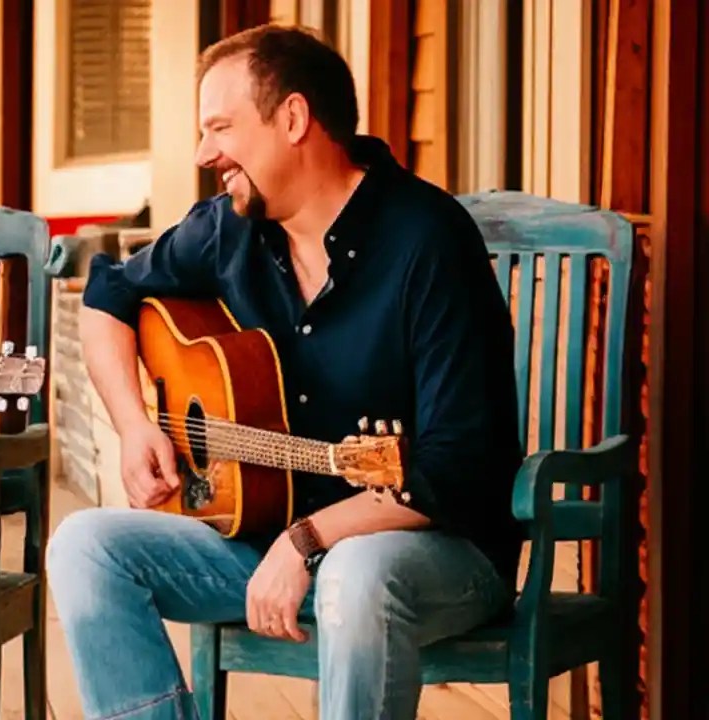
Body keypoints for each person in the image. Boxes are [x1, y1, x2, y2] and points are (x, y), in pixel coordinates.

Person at [46, 24, 524, 720]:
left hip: (434, 554)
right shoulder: (229, 229)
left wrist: (310, 538)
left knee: (356, 574)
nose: (204, 153)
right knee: (85, 548)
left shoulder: (428, 240)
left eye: (220, 128)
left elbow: (454, 471)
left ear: (293, 118)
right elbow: (106, 296)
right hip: (268, 539)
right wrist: (134, 424)